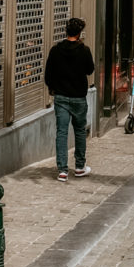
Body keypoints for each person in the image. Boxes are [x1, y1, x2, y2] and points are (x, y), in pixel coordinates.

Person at [44, 17, 95, 181]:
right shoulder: (84, 50)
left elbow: (48, 74)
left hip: (61, 97)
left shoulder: (56, 50)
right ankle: (79, 166)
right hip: (79, 97)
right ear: (79, 33)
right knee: (80, 131)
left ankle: (62, 170)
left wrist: (53, 87)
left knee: (62, 132)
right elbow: (90, 70)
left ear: (66, 31)